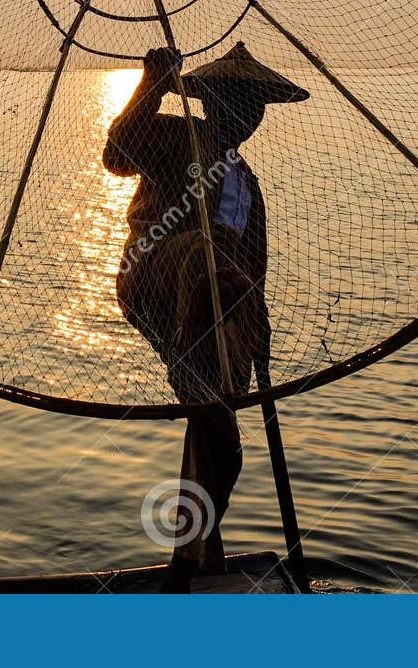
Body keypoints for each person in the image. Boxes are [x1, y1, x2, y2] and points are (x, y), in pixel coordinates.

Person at [102, 41, 309, 592]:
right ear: (212, 100)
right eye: (236, 99)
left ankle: (196, 555)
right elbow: (118, 153)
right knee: (206, 249)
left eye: (256, 103)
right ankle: (184, 567)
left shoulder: (248, 183)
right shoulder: (178, 137)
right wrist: (152, 83)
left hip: (215, 315)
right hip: (157, 275)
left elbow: (254, 268)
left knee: (219, 437)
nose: (248, 114)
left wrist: (254, 334)